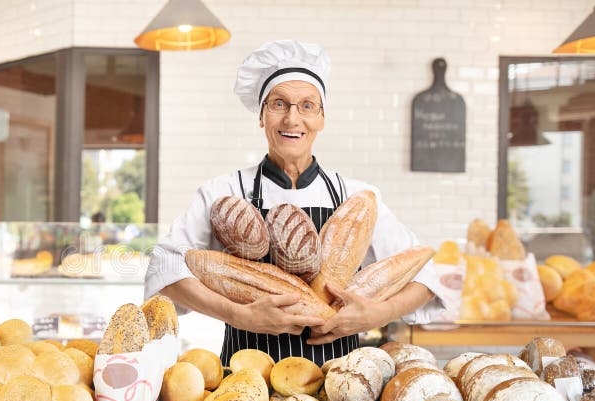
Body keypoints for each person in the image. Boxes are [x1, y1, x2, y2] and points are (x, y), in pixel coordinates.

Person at [145, 40, 444, 366]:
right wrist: (238, 314)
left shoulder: (353, 195)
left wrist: (376, 314)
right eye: (279, 104)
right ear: (262, 116)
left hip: (341, 381)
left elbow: (426, 275)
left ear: (322, 118)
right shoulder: (226, 191)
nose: (292, 119)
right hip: (247, 382)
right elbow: (165, 266)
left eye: (306, 105)